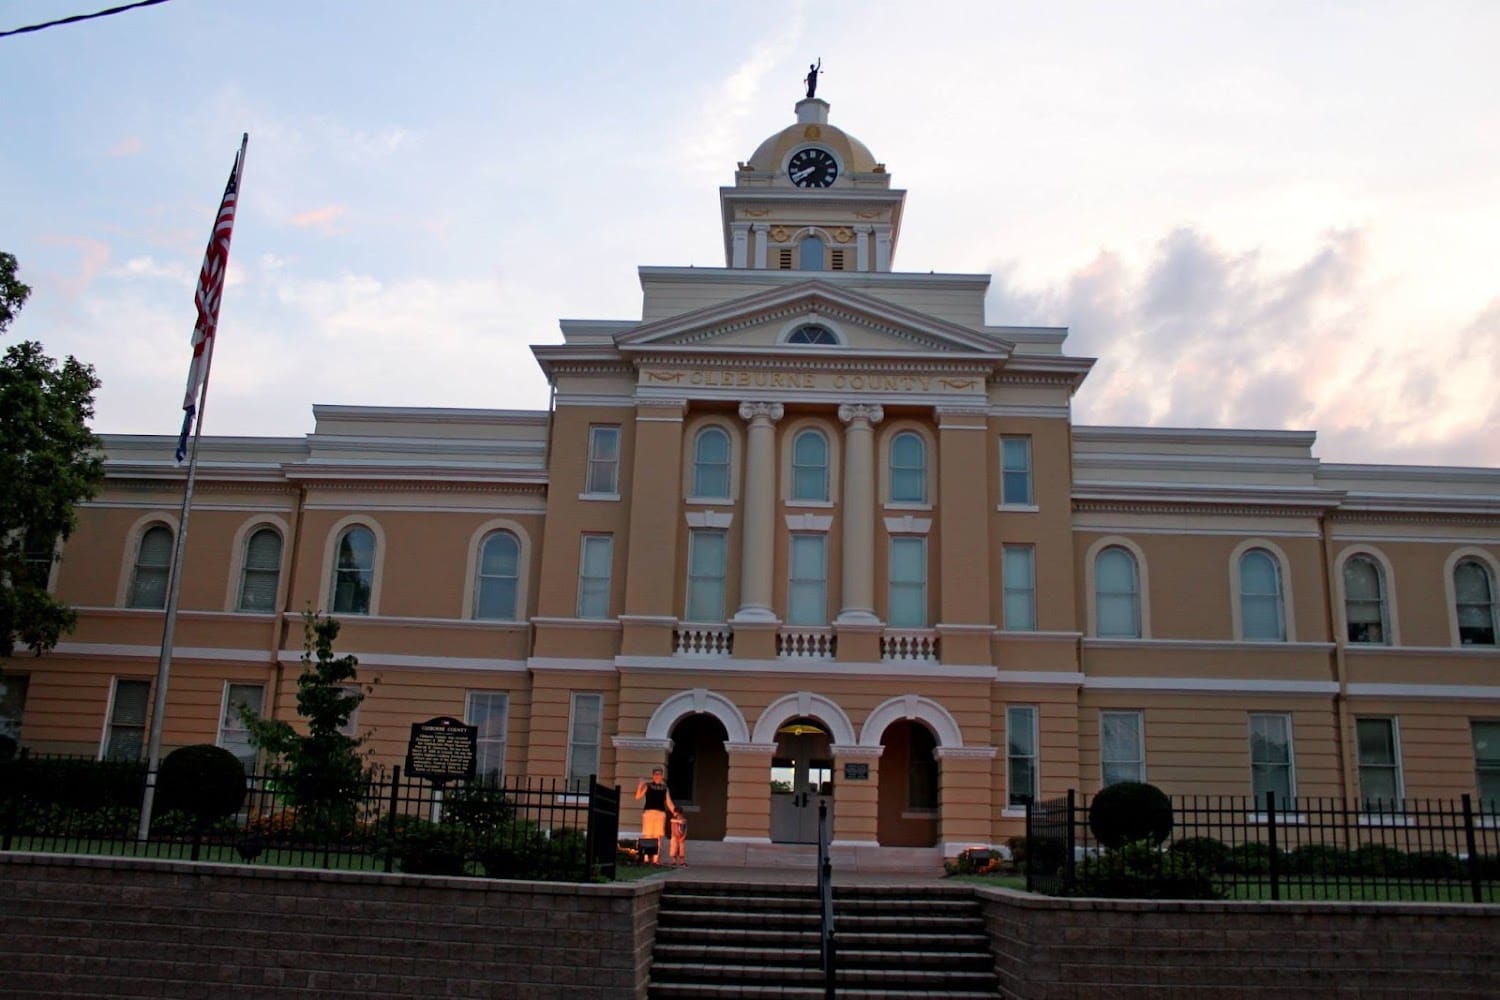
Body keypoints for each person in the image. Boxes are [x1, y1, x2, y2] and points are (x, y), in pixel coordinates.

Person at [634, 766, 675, 866]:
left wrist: (675, 812)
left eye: (660, 774)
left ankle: (656, 860)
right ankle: (646, 858)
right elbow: (637, 796)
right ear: (653, 776)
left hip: (660, 814)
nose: (658, 776)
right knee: (647, 835)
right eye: (656, 774)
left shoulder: (665, 788)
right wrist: (640, 785)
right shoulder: (648, 786)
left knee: (657, 836)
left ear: (662, 776)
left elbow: (669, 802)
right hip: (648, 813)